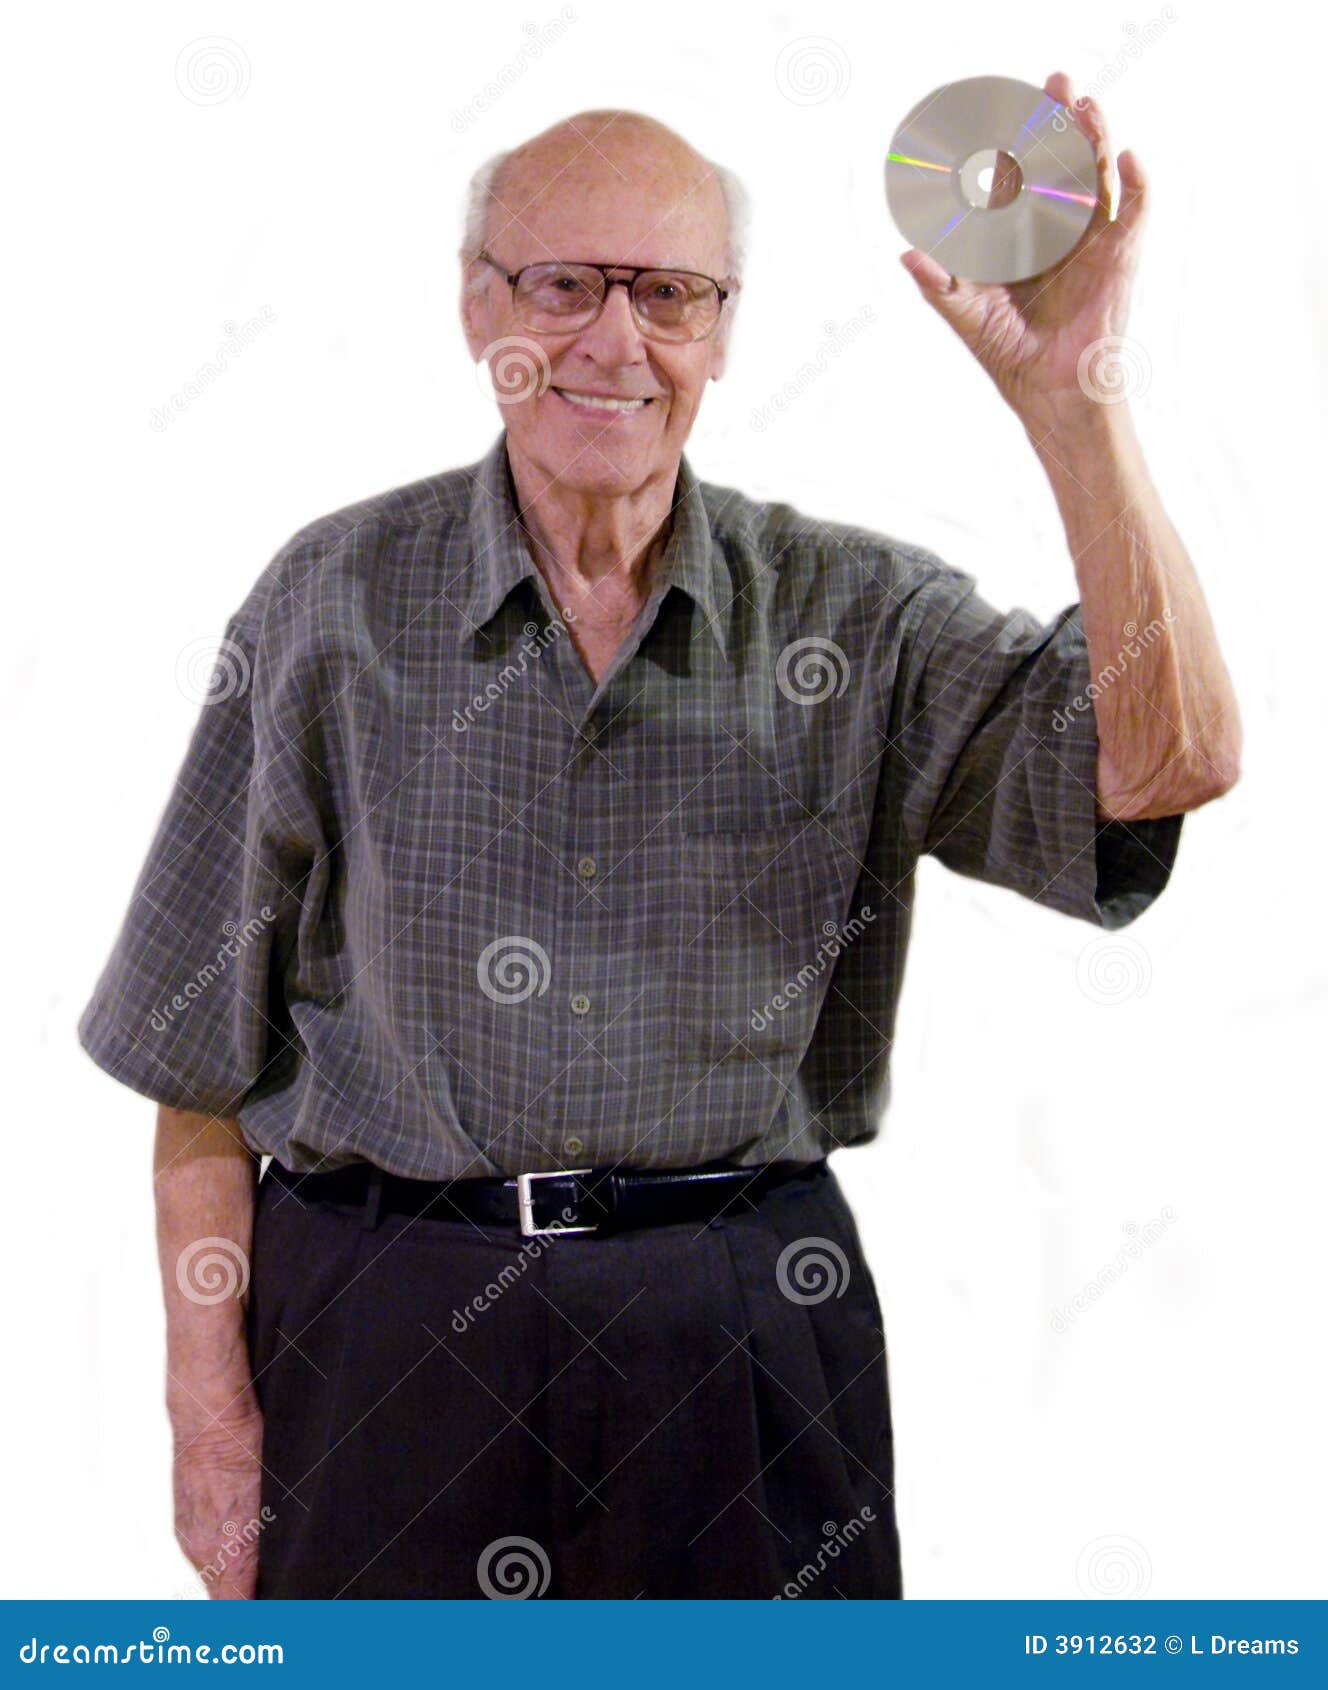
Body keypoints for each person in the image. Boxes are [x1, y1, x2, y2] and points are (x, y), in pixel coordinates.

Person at [78, 83, 1240, 1600]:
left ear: (723, 328)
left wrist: (1078, 406)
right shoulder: (331, 599)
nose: (616, 342)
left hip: (740, 1337)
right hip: (383, 1340)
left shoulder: (858, 616)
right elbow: (194, 1062)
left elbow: (1169, 762)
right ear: (478, 307)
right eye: (563, 284)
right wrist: (210, 1423)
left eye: (671, 294)